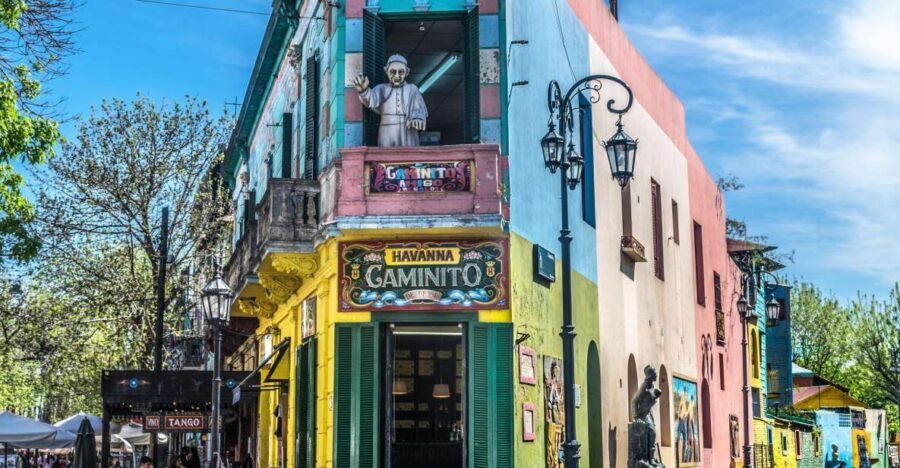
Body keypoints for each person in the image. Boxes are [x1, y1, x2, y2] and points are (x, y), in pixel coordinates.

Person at [352, 54, 428, 147]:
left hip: (408, 131)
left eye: (401, 72)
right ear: (386, 70)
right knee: (385, 154)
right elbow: (371, 100)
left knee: (409, 154)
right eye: (393, 72)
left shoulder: (412, 89)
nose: (397, 75)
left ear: (407, 72)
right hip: (387, 130)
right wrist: (363, 91)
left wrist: (418, 118)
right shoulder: (382, 89)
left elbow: (419, 109)